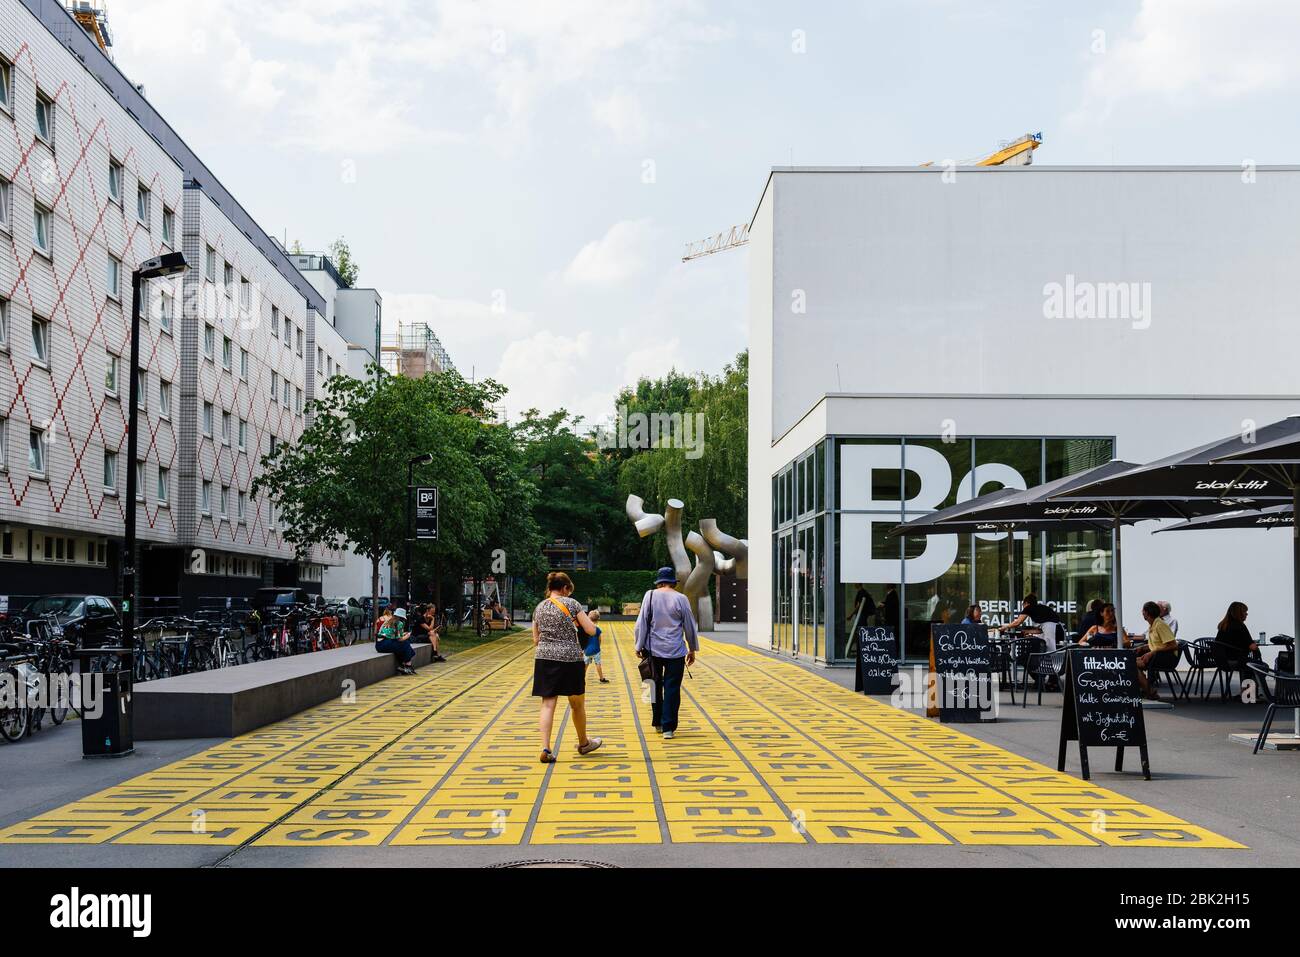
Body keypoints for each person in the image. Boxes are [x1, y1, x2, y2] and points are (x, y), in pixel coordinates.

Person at [531, 571, 603, 764]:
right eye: (569, 591)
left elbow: (536, 639)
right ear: (564, 588)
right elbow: (590, 630)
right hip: (570, 658)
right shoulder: (572, 604)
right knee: (576, 703)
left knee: (547, 703)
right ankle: (584, 743)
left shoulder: (539, 607)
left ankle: (546, 748)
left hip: (545, 658)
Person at [634, 567, 699, 740]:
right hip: (676, 651)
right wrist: (692, 648)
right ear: (673, 583)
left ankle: (658, 722)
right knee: (672, 688)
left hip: (653, 650)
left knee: (654, 685)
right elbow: (689, 625)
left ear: (659, 582)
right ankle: (668, 728)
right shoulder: (681, 599)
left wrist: (638, 645)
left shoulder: (650, 595)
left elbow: (641, 623)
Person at [1126, 600, 1178, 699]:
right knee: (1129, 661)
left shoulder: (1160, 625)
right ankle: (1145, 690)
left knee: (1130, 664)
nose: (1142, 612)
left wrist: (1153, 652)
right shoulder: (1153, 624)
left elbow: (1174, 645)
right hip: (1158, 656)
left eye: (1143, 610)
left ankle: (1150, 691)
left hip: (1167, 658)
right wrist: (1142, 647)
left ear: (1146, 613)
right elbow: (1157, 644)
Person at [1215, 601, 1258, 682]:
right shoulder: (1240, 626)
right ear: (1240, 613)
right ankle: (1249, 693)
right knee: (1262, 666)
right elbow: (1251, 646)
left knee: (1248, 664)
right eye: (1245, 612)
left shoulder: (1223, 625)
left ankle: (1246, 692)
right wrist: (1256, 645)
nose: (1247, 614)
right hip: (1235, 660)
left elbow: (1236, 641)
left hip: (1221, 661)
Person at [376, 607, 417, 675]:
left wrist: (403, 634)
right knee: (405, 643)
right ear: (401, 617)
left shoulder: (388, 621)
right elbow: (400, 639)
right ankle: (408, 666)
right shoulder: (399, 623)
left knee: (401, 646)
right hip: (386, 644)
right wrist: (407, 636)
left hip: (379, 645)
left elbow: (392, 634)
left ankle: (403, 665)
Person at [583, 609, 608, 683]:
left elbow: (583, 639)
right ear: (597, 620)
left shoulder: (586, 629)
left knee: (585, 664)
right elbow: (600, 639)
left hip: (587, 650)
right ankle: (601, 678)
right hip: (596, 650)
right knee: (598, 664)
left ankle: (581, 678)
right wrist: (598, 646)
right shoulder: (597, 629)